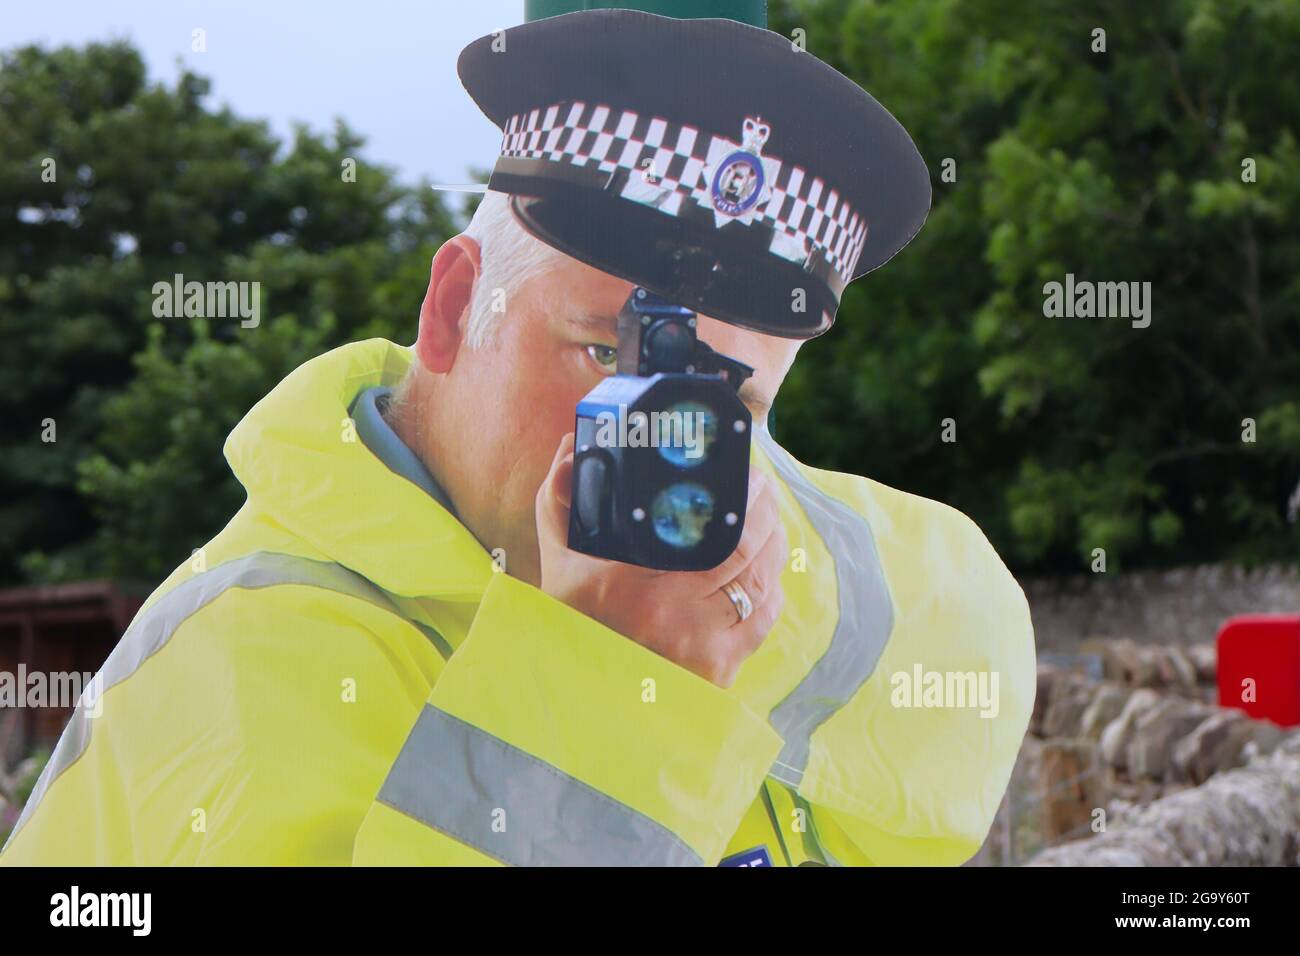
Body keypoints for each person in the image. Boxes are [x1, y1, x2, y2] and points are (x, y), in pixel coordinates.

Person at [1, 6, 1035, 867]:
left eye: (731, 401)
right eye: (603, 356)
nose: (658, 442)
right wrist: (610, 696)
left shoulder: (827, 569)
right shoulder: (232, 677)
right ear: (453, 306)